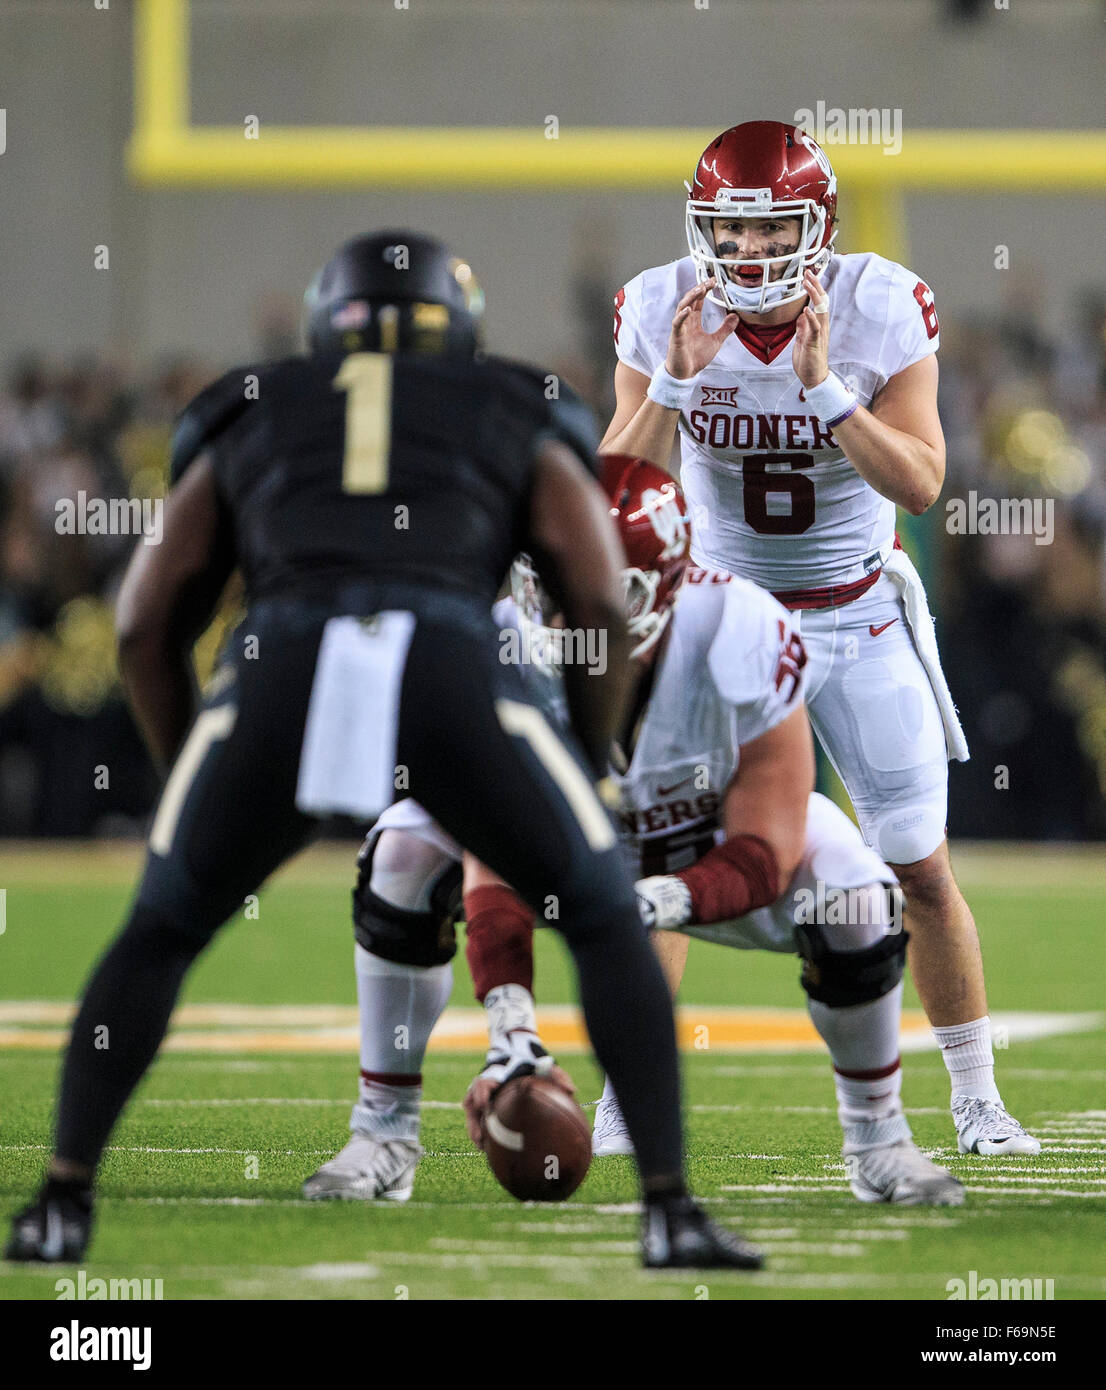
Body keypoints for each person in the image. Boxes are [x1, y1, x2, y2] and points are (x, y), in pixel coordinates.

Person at [5, 234, 757, 1271]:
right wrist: (586, 751)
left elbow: (144, 619)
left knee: (164, 922)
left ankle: (60, 1199)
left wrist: (188, 768)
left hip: (287, 666)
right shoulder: (515, 401)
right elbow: (590, 587)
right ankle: (668, 1207)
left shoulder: (248, 402)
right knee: (595, 908)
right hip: (451, 667)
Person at [305, 460, 963, 1208]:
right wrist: (509, 1025)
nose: (560, 614)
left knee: (859, 894)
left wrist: (656, 904)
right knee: (403, 849)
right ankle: (384, 1131)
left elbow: (770, 847)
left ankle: (879, 1141)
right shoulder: (501, 646)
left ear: (662, 586)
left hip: (703, 847)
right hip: (560, 847)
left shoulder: (742, 628)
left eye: (587, 587)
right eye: (547, 583)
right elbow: (491, 841)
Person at [601, 121, 1038, 1157]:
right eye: (728, 230)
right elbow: (612, 489)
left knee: (917, 869)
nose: (747, 253)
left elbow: (923, 482)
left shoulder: (878, 304)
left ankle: (975, 1099)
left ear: (817, 228)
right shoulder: (661, 304)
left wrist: (826, 391)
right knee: (663, 864)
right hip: (719, 619)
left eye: (768, 230)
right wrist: (671, 382)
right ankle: (631, 1098)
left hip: (851, 613)